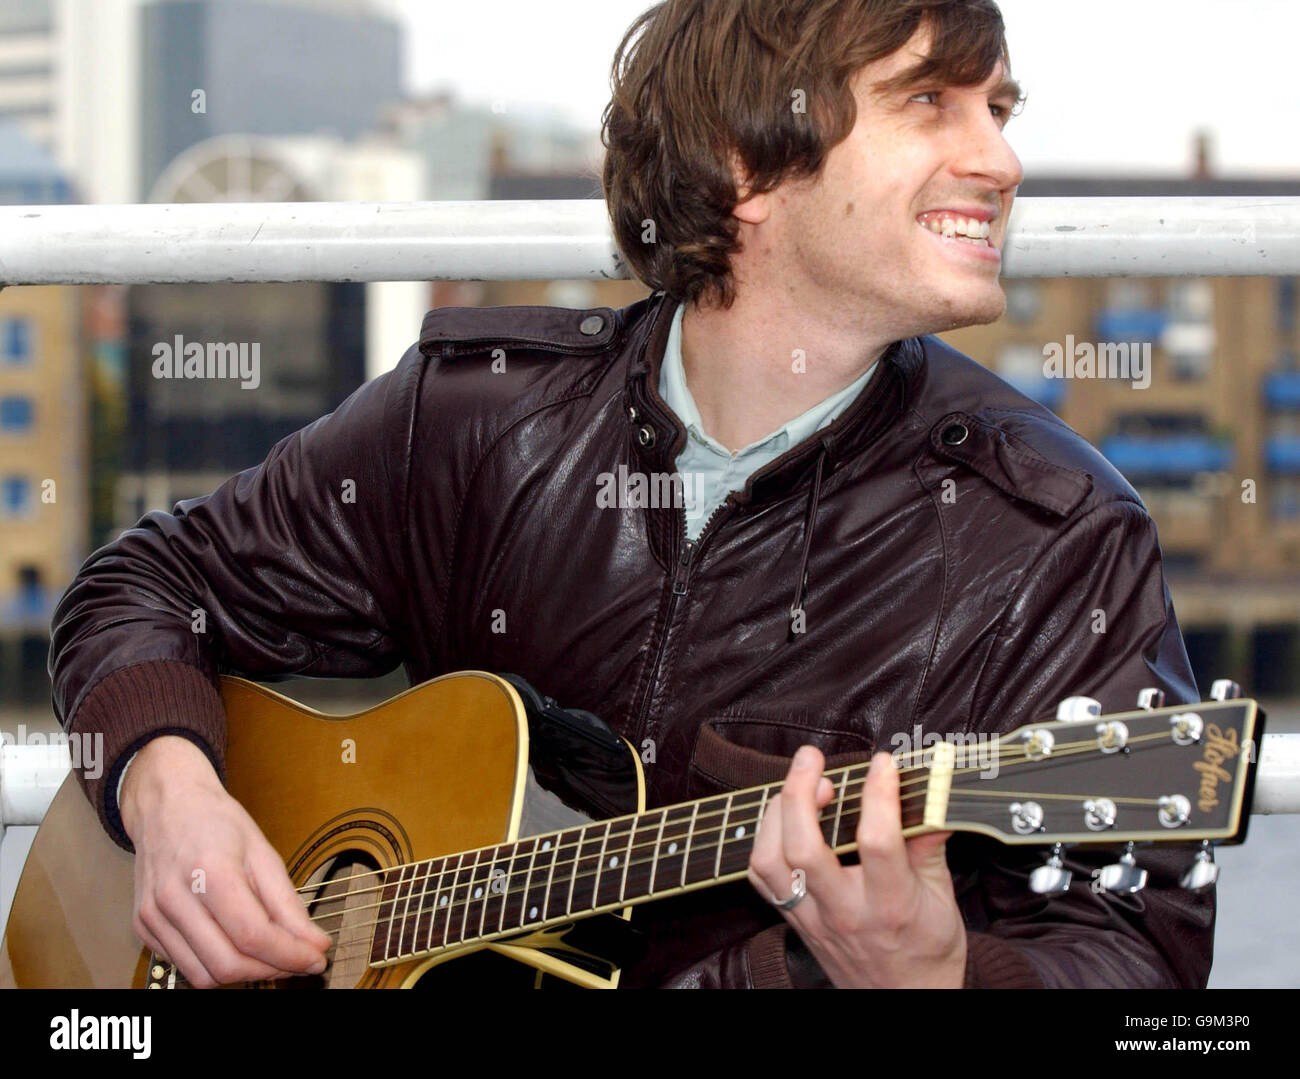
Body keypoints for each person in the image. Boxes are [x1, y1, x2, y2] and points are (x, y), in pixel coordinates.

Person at [50, 0, 1212, 989]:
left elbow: (1138, 958)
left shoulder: (1049, 530)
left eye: (998, 111)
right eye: (929, 102)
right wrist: (168, 793)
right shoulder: (474, 420)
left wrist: (940, 978)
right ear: (744, 164)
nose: (1001, 160)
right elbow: (147, 582)